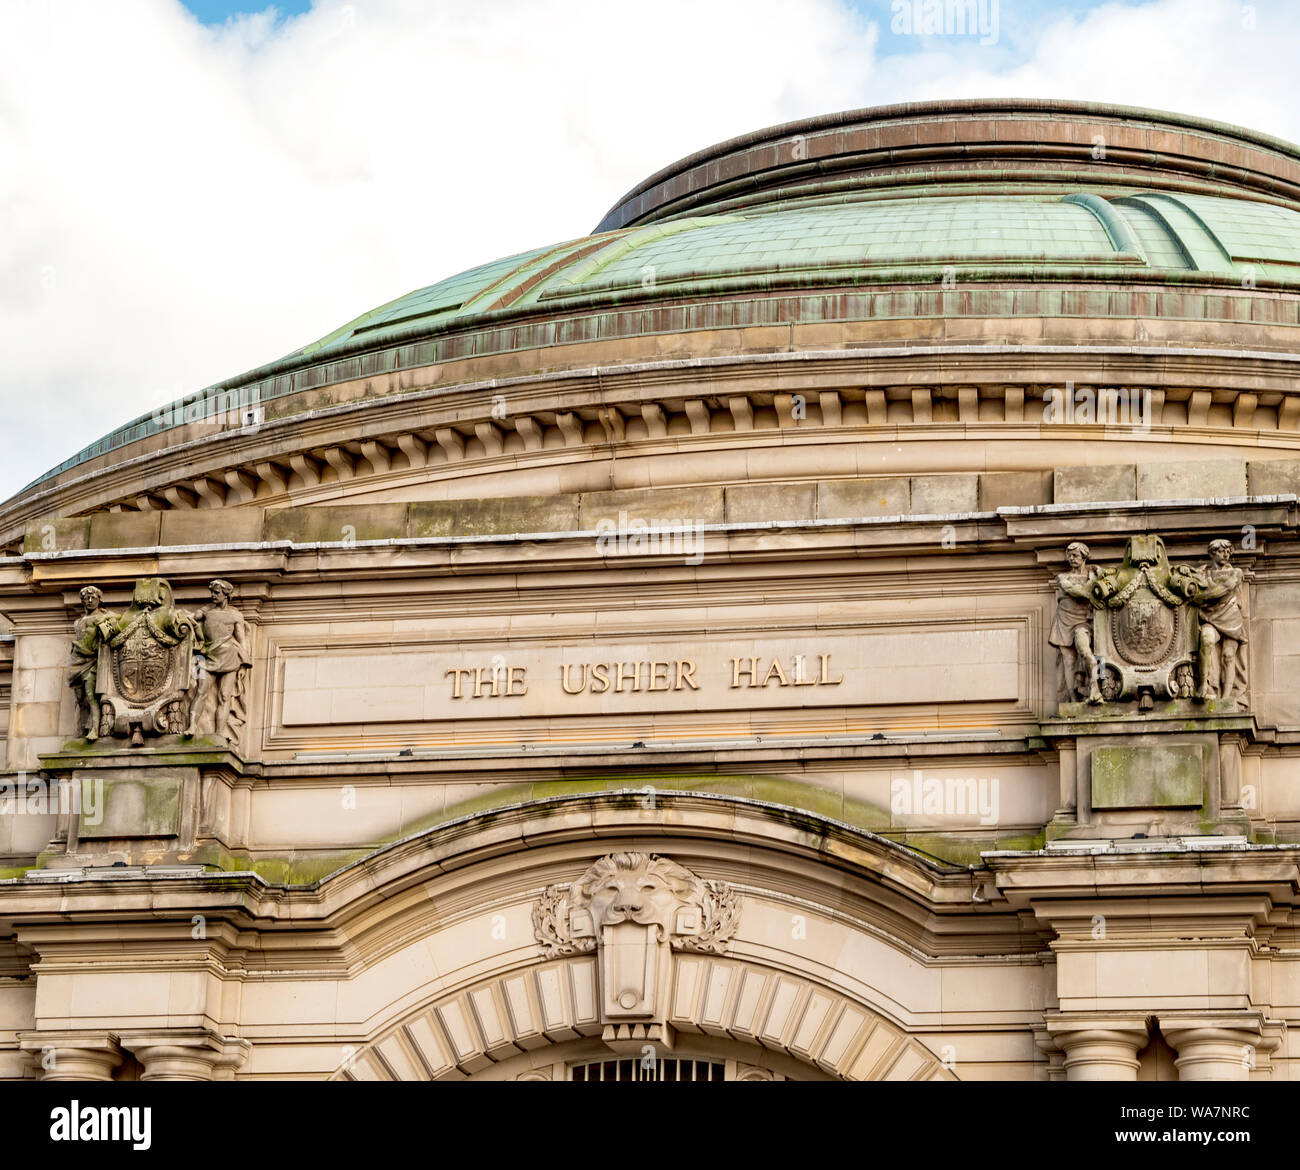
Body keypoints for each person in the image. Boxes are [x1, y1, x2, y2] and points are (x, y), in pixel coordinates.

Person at [185, 579, 252, 743]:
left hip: (229, 657)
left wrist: (244, 663)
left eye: (217, 593)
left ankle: (220, 732)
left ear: (226, 594)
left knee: (224, 696)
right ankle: (192, 726)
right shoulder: (206, 611)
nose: (213, 596)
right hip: (207, 656)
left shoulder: (236, 615)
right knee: (200, 692)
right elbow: (192, 619)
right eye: (212, 592)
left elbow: (241, 639)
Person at [1192, 539, 1248, 704]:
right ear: (1212, 553)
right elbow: (1197, 597)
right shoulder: (1202, 573)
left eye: (1228, 552)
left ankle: (1226, 698)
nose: (1225, 554)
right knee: (1206, 639)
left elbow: (1218, 591)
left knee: (1228, 656)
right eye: (1221, 551)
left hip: (1232, 619)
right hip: (1210, 617)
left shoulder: (1236, 573)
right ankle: (1204, 684)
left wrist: (1205, 593)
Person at [1049, 542, 1102, 704]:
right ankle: (1072, 699)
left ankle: (1094, 687)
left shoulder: (1092, 574)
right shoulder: (1062, 577)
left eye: (1075, 555)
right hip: (1064, 620)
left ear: (1084, 557)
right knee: (1069, 662)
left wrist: (1096, 574)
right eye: (1069, 555)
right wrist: (1094, 579)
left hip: (1083, 621)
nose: (1071, 558)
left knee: (1086, 652)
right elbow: (1077, 591)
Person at [67, 586, 113, 737]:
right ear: (83, 601)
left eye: (94, 598)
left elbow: (116, 624)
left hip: (92, 661)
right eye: (87, 598)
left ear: (100, 600)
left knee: (91, 695)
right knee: (80, 698)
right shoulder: (78, 622)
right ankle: (81, 728)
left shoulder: (104, 617)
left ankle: (95, 729)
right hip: (77, 660)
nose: (91, 601)